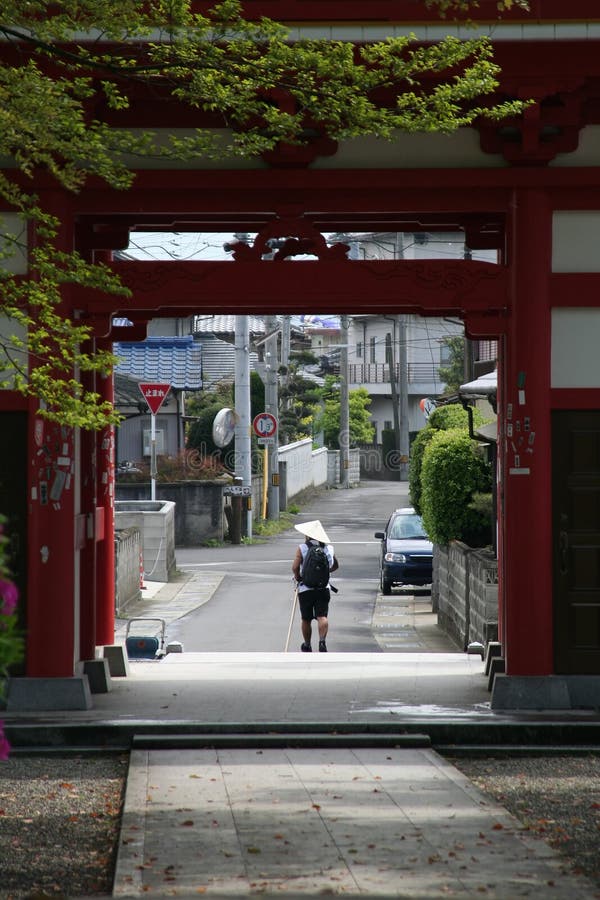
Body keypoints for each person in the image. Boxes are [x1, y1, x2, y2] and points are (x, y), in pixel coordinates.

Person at [292, 520, 338, 653]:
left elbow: (295, 567)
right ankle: (322, 641)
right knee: (322, 616)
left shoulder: (302, 548)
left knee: (306, 619)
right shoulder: (329, 548)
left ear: (308, 535)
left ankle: (307, 644)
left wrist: (298, 577)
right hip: (323, 588)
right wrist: (325, 573)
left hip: (305, 589)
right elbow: (335, 566)